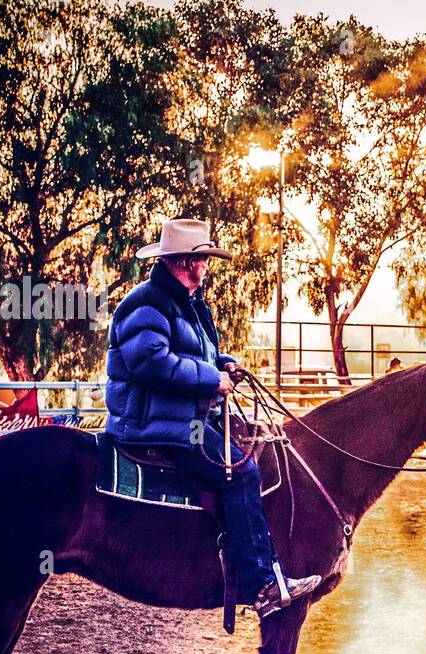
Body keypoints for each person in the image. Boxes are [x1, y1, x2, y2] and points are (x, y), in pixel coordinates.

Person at [105, 218, 321, 617]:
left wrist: (224, 364)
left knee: (252, 455)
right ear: (186, 261)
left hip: (177, 417)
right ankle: (263, 585)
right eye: (203, 258)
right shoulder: (146, 303)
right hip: (153, 424)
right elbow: (151, 363)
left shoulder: (182, 303)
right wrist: (211, 379)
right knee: (239, 474)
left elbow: (194, 356)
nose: (207, 266)